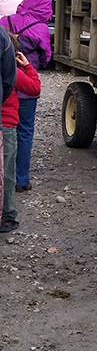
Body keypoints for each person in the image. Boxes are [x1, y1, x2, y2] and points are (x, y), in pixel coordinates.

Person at [0, 0, 52, 192]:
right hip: (27, 87)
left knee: (5, 131)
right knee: (25, 132)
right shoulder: (41, 28)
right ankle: (21, 179)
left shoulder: (5, 20)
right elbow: (46, 56)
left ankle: (4, 177)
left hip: (6, 85)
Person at [1, 40, 39, 232]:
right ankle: (7, 214)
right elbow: (35, 88)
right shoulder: (13, 72)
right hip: (6, 125)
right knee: (7, 173)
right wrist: (28, 66)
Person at [0, 26, 17, 219]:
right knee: (6, 169)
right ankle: (7, 214)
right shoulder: (2, 36)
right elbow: (8, 80)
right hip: (7, 123)